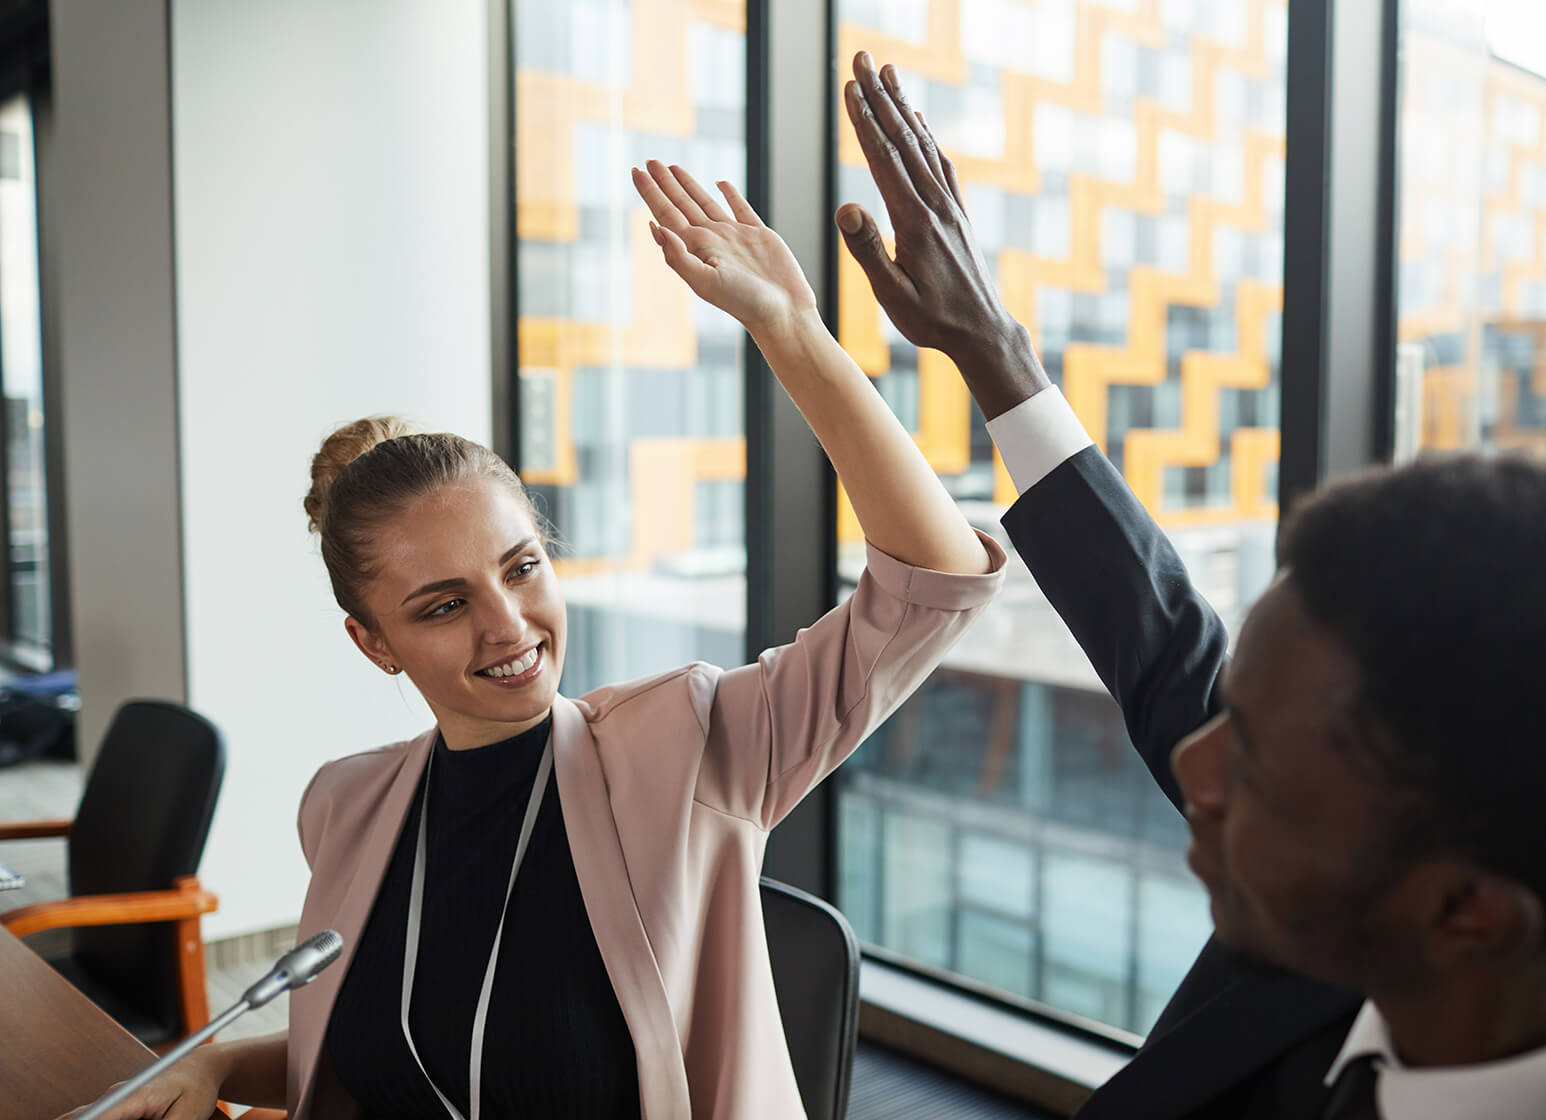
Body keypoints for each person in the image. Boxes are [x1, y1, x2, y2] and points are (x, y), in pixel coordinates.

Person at [836, 49, 1546, 1119]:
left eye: (1259, 765)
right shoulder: (1361, 904)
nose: (1192, 762)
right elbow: (1168, 651)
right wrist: (996, 356)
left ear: (1466, 909)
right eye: (1233, 713)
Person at [69, 162, 1003, 1120]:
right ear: (373, 642)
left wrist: (790, 328)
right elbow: (379, 1048)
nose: (508, 626)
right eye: (442, 606)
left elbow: (928, 582)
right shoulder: (345, 807)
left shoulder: (687, 747)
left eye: (521, 569)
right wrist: (217, 1065)